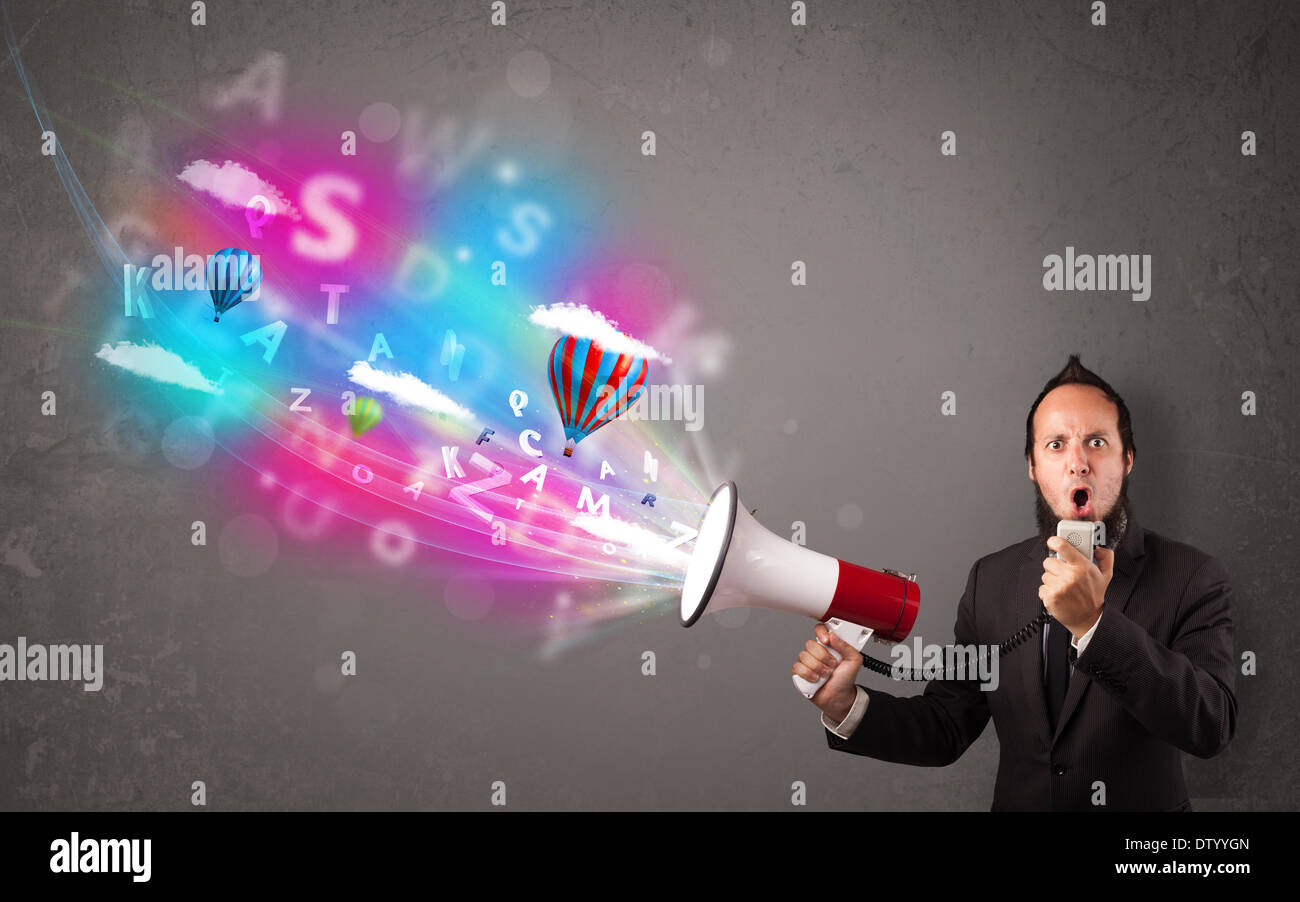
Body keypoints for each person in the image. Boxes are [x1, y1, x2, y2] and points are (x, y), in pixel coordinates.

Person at [794, 355, 1237, 810]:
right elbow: (948, 724)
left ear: (1127, 459)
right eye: (1056, 445)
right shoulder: (991, 580)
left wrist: (1095, 627)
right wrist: (844, 704)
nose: (1078, 463)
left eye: (1097, 442)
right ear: (1031, 465)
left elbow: (1211, 724)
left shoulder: (1193, 577)